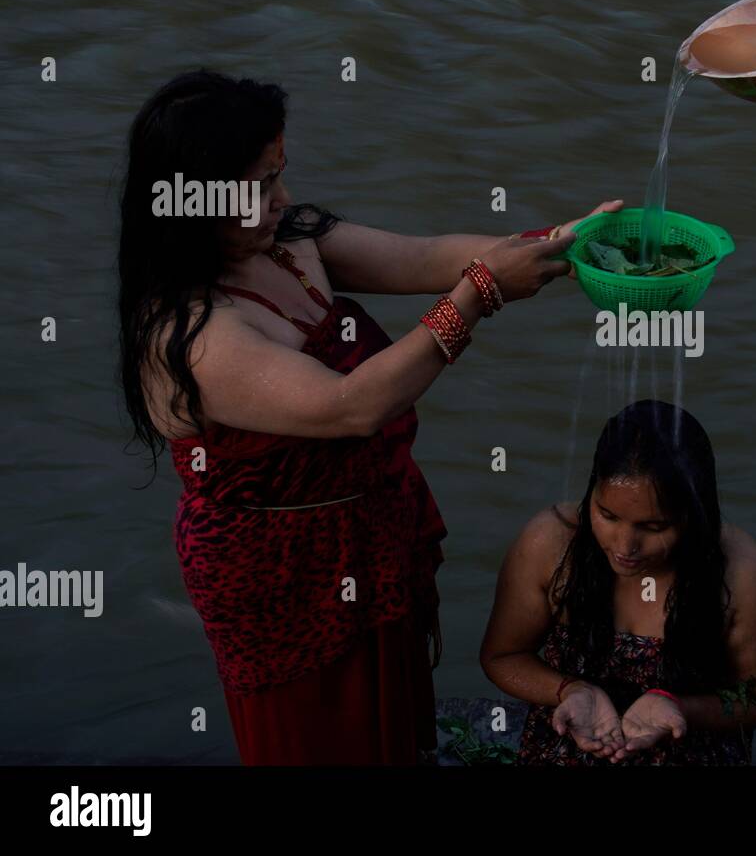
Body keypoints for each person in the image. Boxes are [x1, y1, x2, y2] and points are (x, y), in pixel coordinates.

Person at [117, 68, 623, 764]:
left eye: (279, 175)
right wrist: (478, 294)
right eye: (261, 185)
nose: (282, 198)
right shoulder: (194, 333)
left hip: (369, 529)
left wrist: (567, 241)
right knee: (318, 738)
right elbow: (353, 405)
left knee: (393, 728)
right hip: (277, 573)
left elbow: (428, 257)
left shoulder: (292, 243)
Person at [480, 400, 756, 765]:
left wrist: (680, 708)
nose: (625, 547)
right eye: (607, 515)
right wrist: (570, 690)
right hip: (573, 737)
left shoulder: (740, 572)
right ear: (592, 491)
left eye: (653, 527)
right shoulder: (550, 544)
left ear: (694, 513)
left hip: (691, 747)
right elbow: (503, 656)